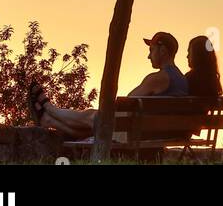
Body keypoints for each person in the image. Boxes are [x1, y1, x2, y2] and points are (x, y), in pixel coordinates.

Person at [28, 31, 188, 138]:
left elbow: (127, 101)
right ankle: (50, 121)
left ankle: (50, 109)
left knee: (95, 117)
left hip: (142, 133)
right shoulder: (181, 79)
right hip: (161, 131)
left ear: (163, 51)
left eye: (151, 50)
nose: (148, 56)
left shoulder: (158, 78)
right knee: (92, 123)